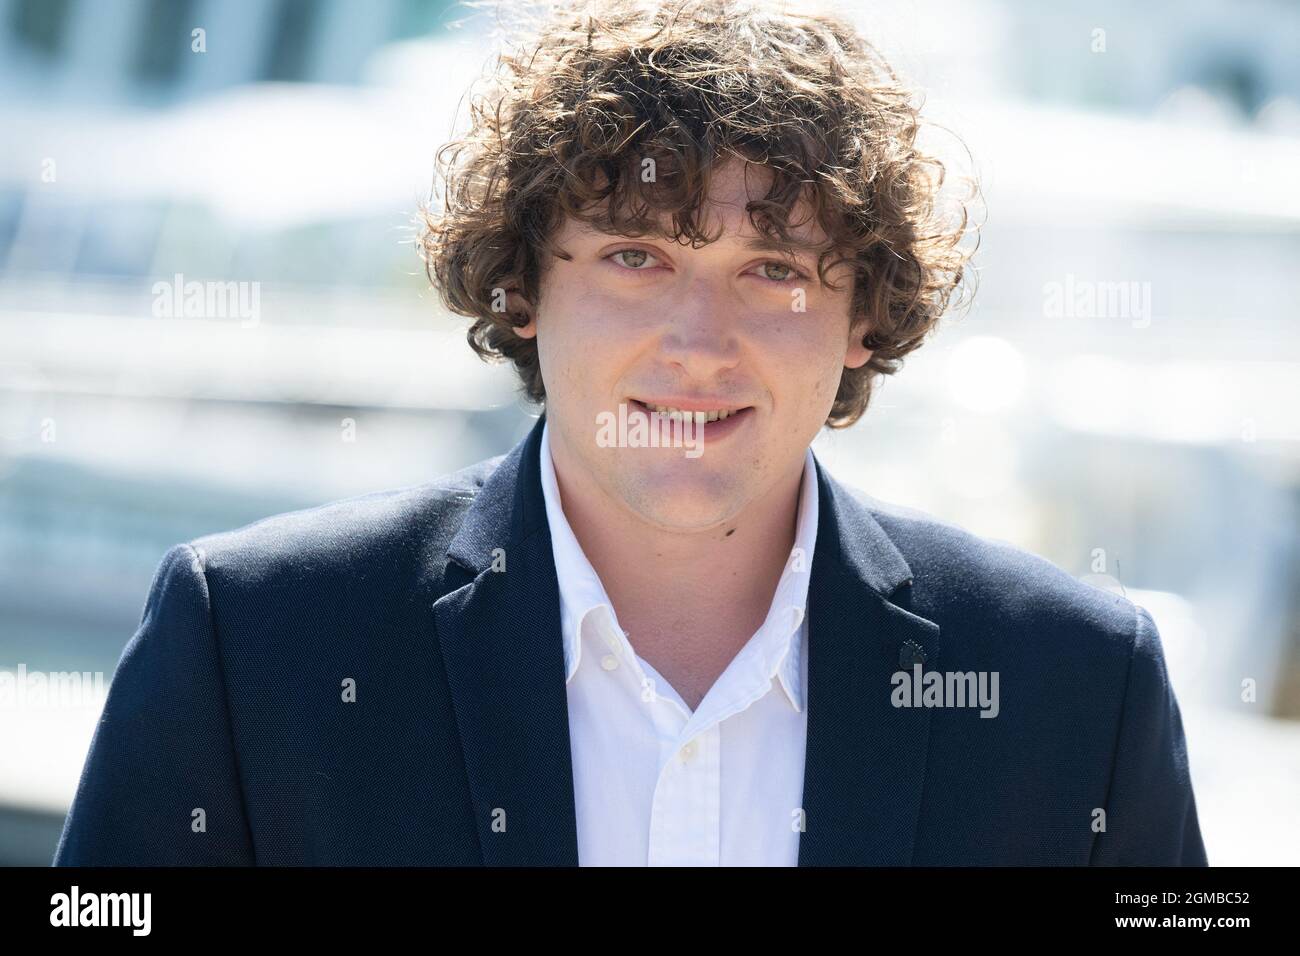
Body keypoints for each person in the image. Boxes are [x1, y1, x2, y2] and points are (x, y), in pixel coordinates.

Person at [54, 0, 1206, 866]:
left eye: (773, 269)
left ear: (861, 318)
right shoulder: (253, 640)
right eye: (635, 255)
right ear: (521, 287)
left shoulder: (1079, 683)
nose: (698, 340)